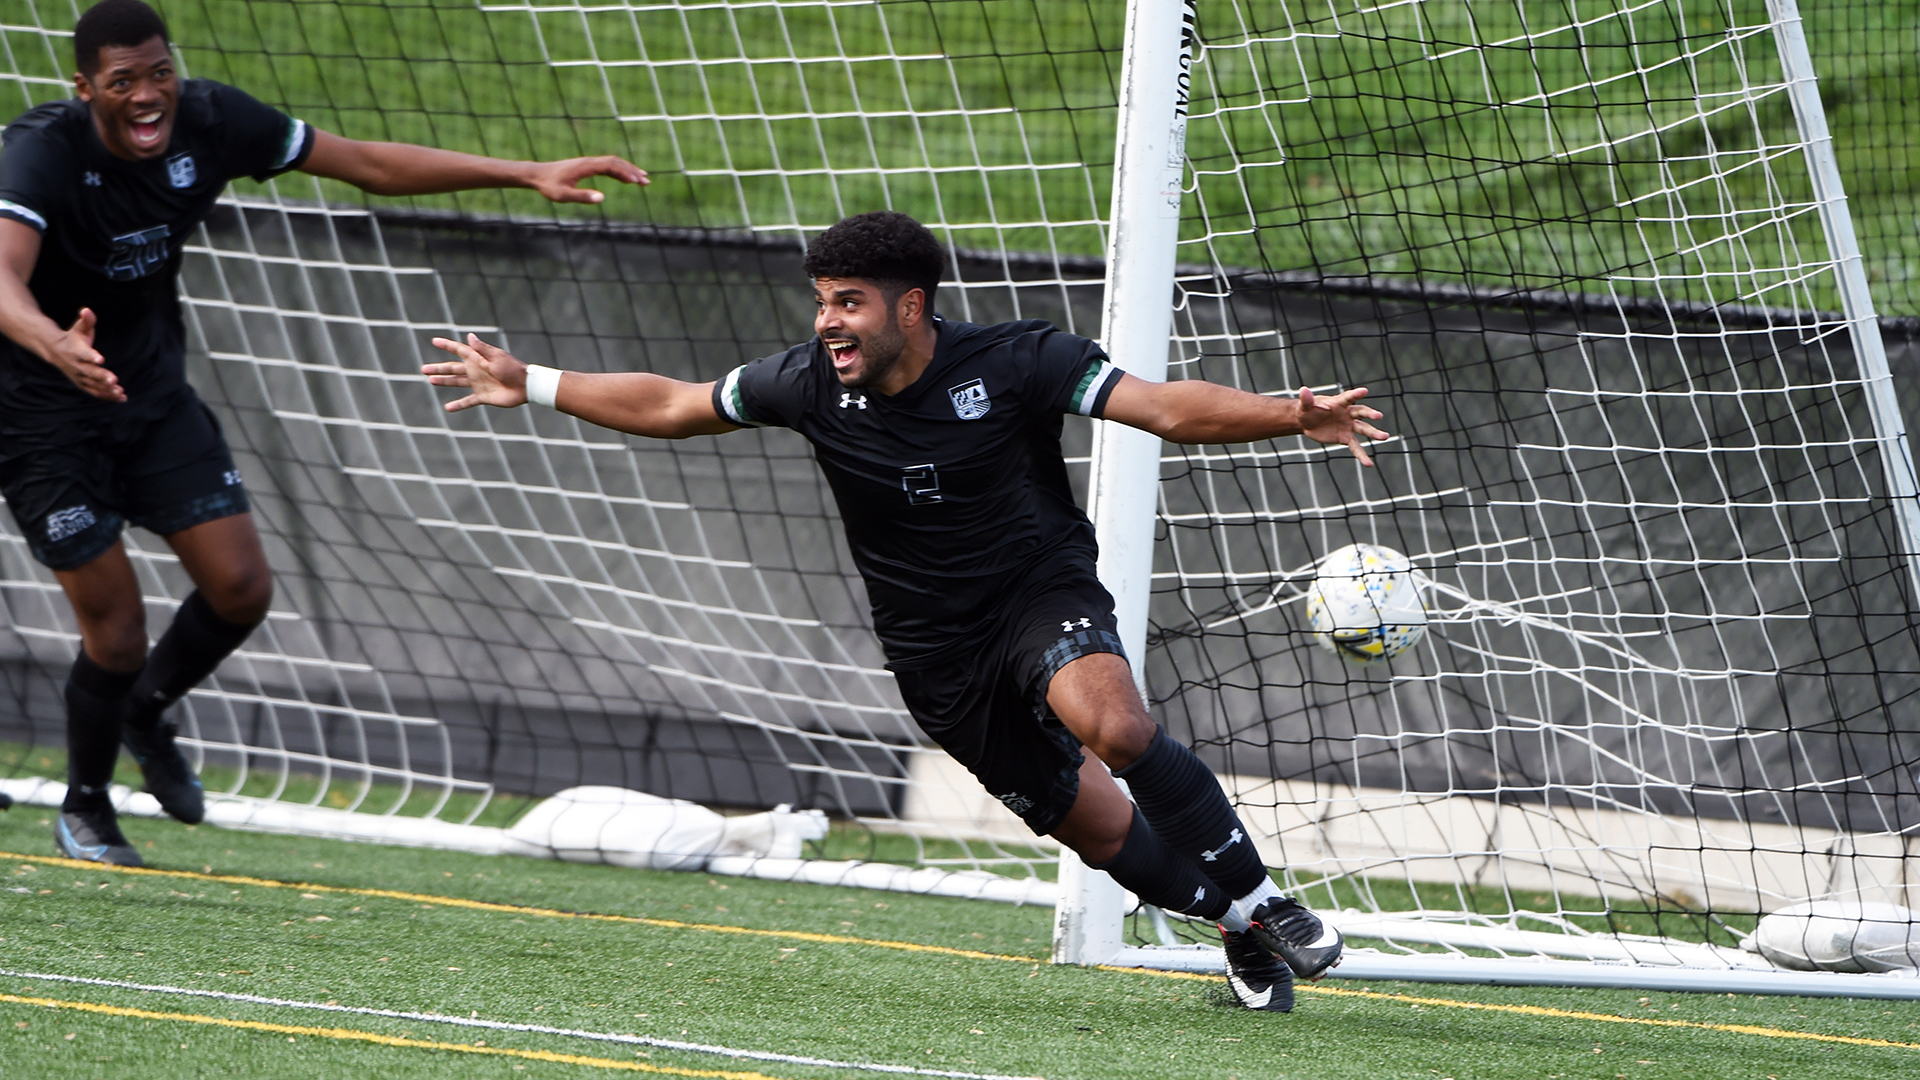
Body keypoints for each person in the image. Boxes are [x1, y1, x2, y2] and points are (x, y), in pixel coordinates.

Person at [422, 211, 1388, 1012]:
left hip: (1037, 591)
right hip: (936, 654)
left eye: (848, 302)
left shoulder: (1018, 360)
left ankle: (1269, 902)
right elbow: (673, 405)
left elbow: (1166, 408)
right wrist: (532, 384)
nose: (828, 322)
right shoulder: (805, 382)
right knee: (1098, 834)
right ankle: (1243, 937)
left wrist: (1287, 415)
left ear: (911, 307)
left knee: (1117, 725)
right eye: (821, 302)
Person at [0, 0, 647, 868]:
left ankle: (147, 713)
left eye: (161, 72)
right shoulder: (40, 154)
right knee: (114, 630)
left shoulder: (214, 121)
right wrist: (54, 343)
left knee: (241, 590)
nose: (149, 94)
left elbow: (369, 163)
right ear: (85, 89)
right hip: (39, 414)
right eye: (124, 82)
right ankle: (86, 807)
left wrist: (526, 172)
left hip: (148, 398)